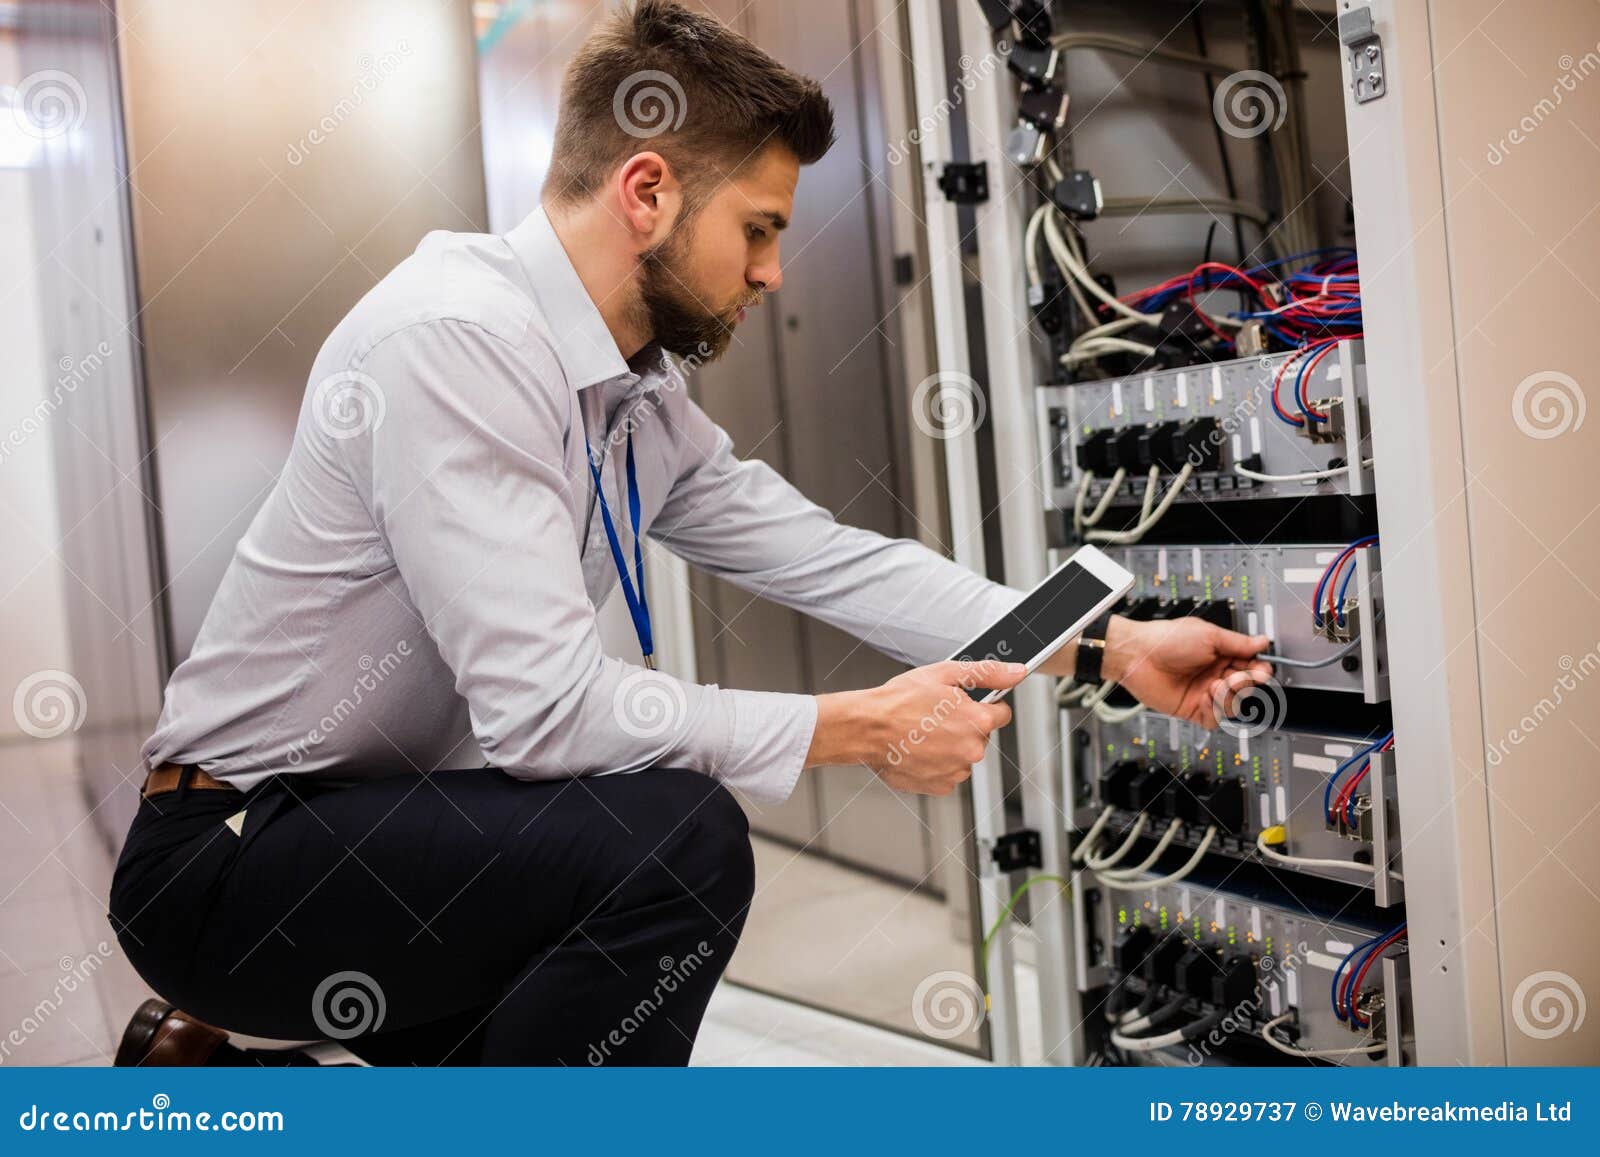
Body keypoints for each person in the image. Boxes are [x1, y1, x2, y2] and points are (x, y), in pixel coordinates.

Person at [108, 0, 1272, 1067]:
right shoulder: (455, 340)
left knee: (557, 1033)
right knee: (675, 840)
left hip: (391, 835)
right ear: (648, 189)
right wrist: (854, 726)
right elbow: (544, 708)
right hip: (233, 854)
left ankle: (218, 1086)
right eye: (758, 229)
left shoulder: (631, 391)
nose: (770, 272)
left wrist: (1110, 642)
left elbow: (827, 558)